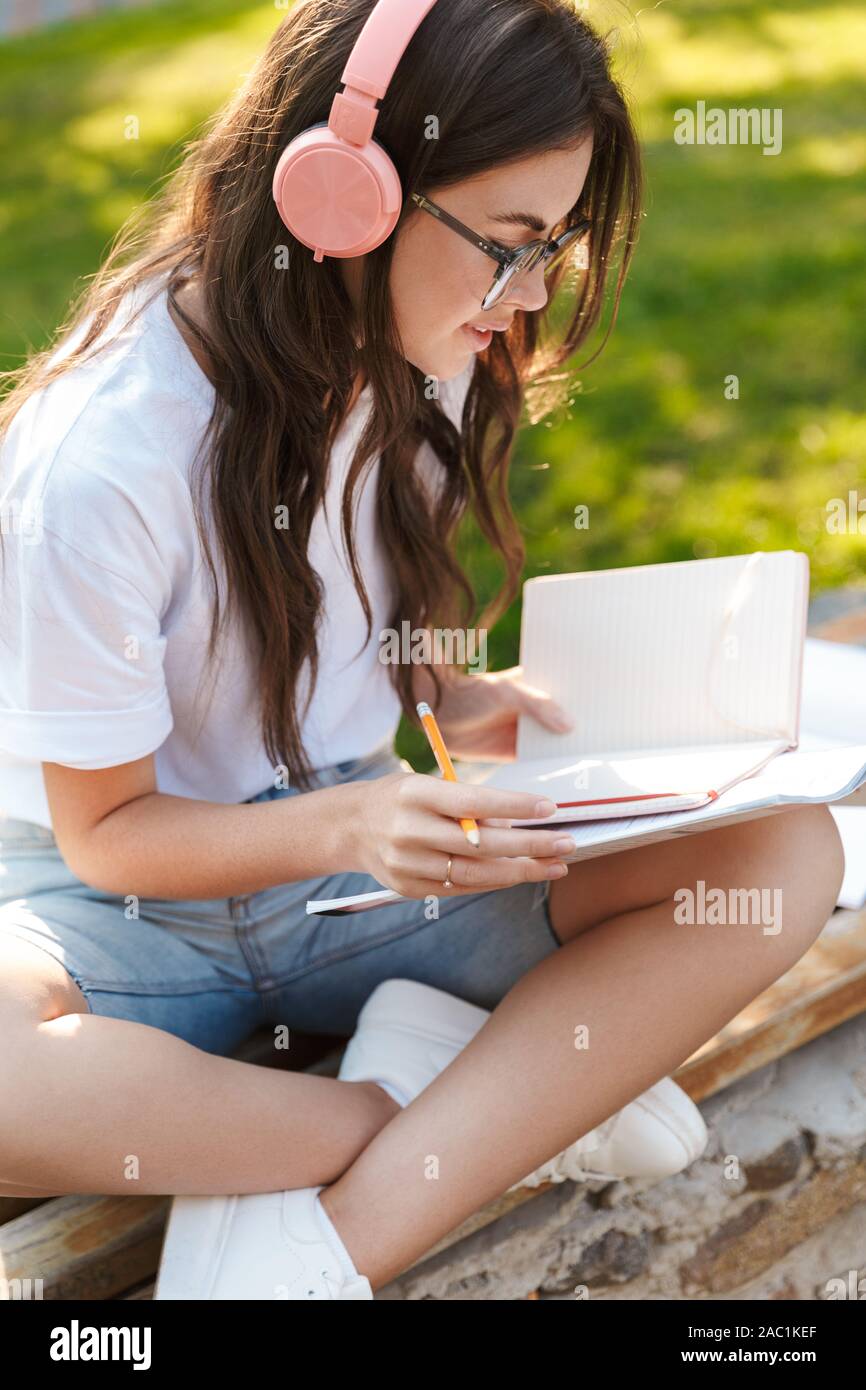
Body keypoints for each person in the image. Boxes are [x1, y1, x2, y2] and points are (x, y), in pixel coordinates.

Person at [0, 0, 843, 1300]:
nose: (529, 300)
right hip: (110, 900)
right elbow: (111, 833)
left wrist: (455, 688)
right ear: (342, 199)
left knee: (781, 851)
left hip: (349, 882)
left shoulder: (414, 350)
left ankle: (324, 1244)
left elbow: (358, 605)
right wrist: (350, 824)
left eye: (553, 249)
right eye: (507, 247)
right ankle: (447, 1101)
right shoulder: (101, 455)